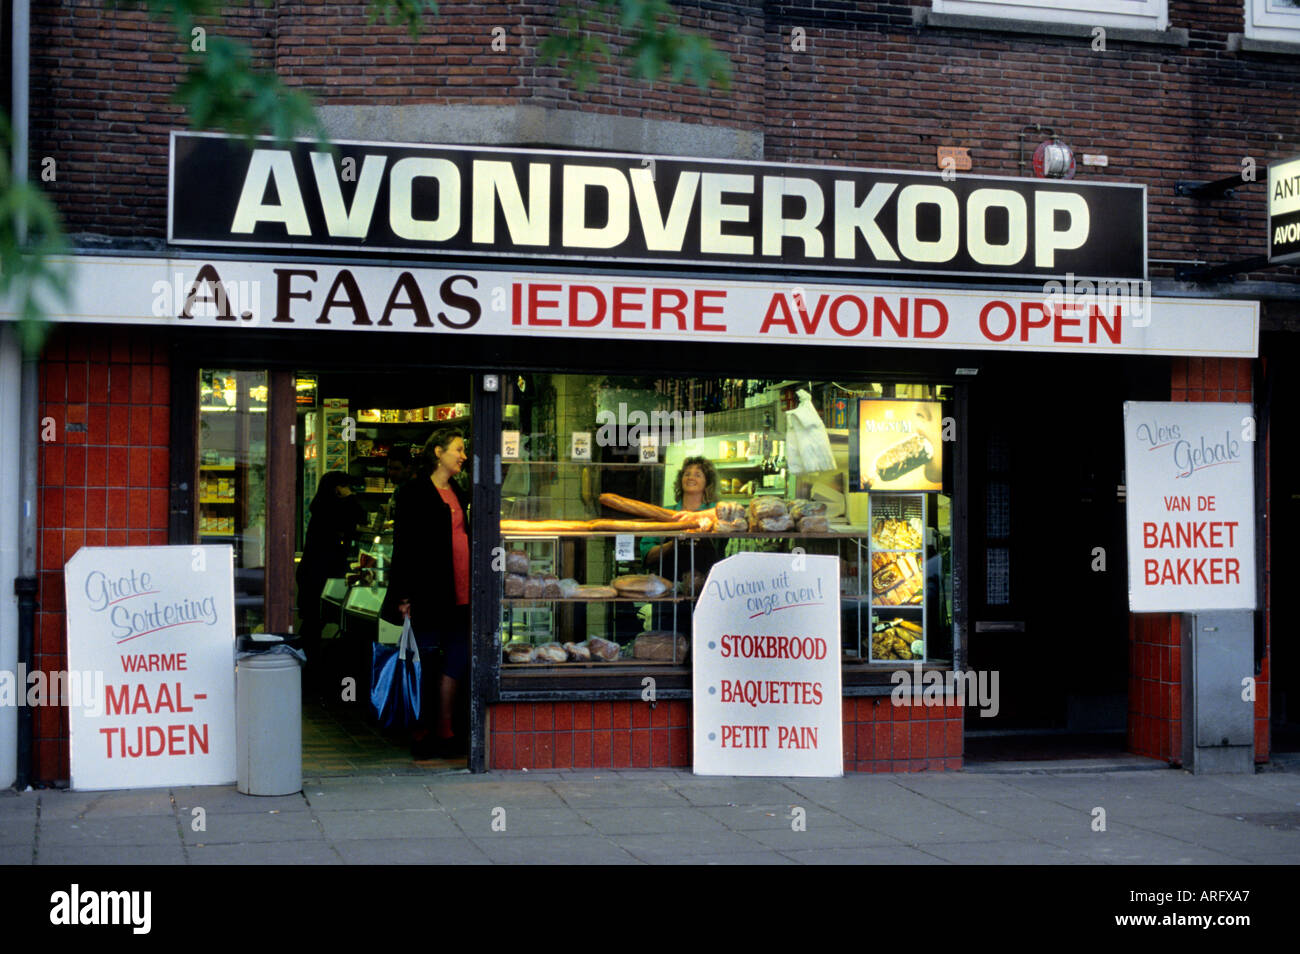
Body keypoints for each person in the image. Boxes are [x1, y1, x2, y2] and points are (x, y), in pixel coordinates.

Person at [381, 427, 470, 760]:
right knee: (425, 662)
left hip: (462, 592)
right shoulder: (413, 492)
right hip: (429, 592)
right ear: (438, 452)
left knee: (455, 661)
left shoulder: (459, 490)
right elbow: (405, 546)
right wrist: (404, 595)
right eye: (458, 449)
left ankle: (446, 731)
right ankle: (421, 733)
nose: (463, 455)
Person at [296, 470, 366, 690]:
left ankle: (308, 670)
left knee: (312, 623)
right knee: (316, 621)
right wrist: (351, 497)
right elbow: (360, 517)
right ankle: (313, 673)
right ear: (338, 489)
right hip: (322, 574)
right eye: (347, 487)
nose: (350, 491)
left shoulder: (320, 508)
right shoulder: (335, 509)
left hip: (312, 573)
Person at [641, 456, 720, 613]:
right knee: (665, 637)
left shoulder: (717, 513)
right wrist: (673, 544)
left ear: (707, 482)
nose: (691, 477)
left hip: (709, 594)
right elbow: (648, 555)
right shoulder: (665, 514)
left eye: (698, 474)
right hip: (668, 596)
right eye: (687, 473)